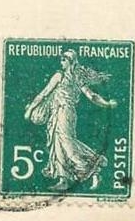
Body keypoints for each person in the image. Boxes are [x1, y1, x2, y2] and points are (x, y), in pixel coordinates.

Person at [24, 50, 117, 190]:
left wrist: (106, 104)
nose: (61, 61)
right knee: (58, 144)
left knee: (67, 144)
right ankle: (64, 180)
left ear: (71, 61)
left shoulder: (68, 76)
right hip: (57, 113)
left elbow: (91, 95)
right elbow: (44, 94)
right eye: (61, 59)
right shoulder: (67, 77)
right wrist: (30, 109)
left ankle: (91, 168)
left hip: (65, 112)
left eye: (64, 59)